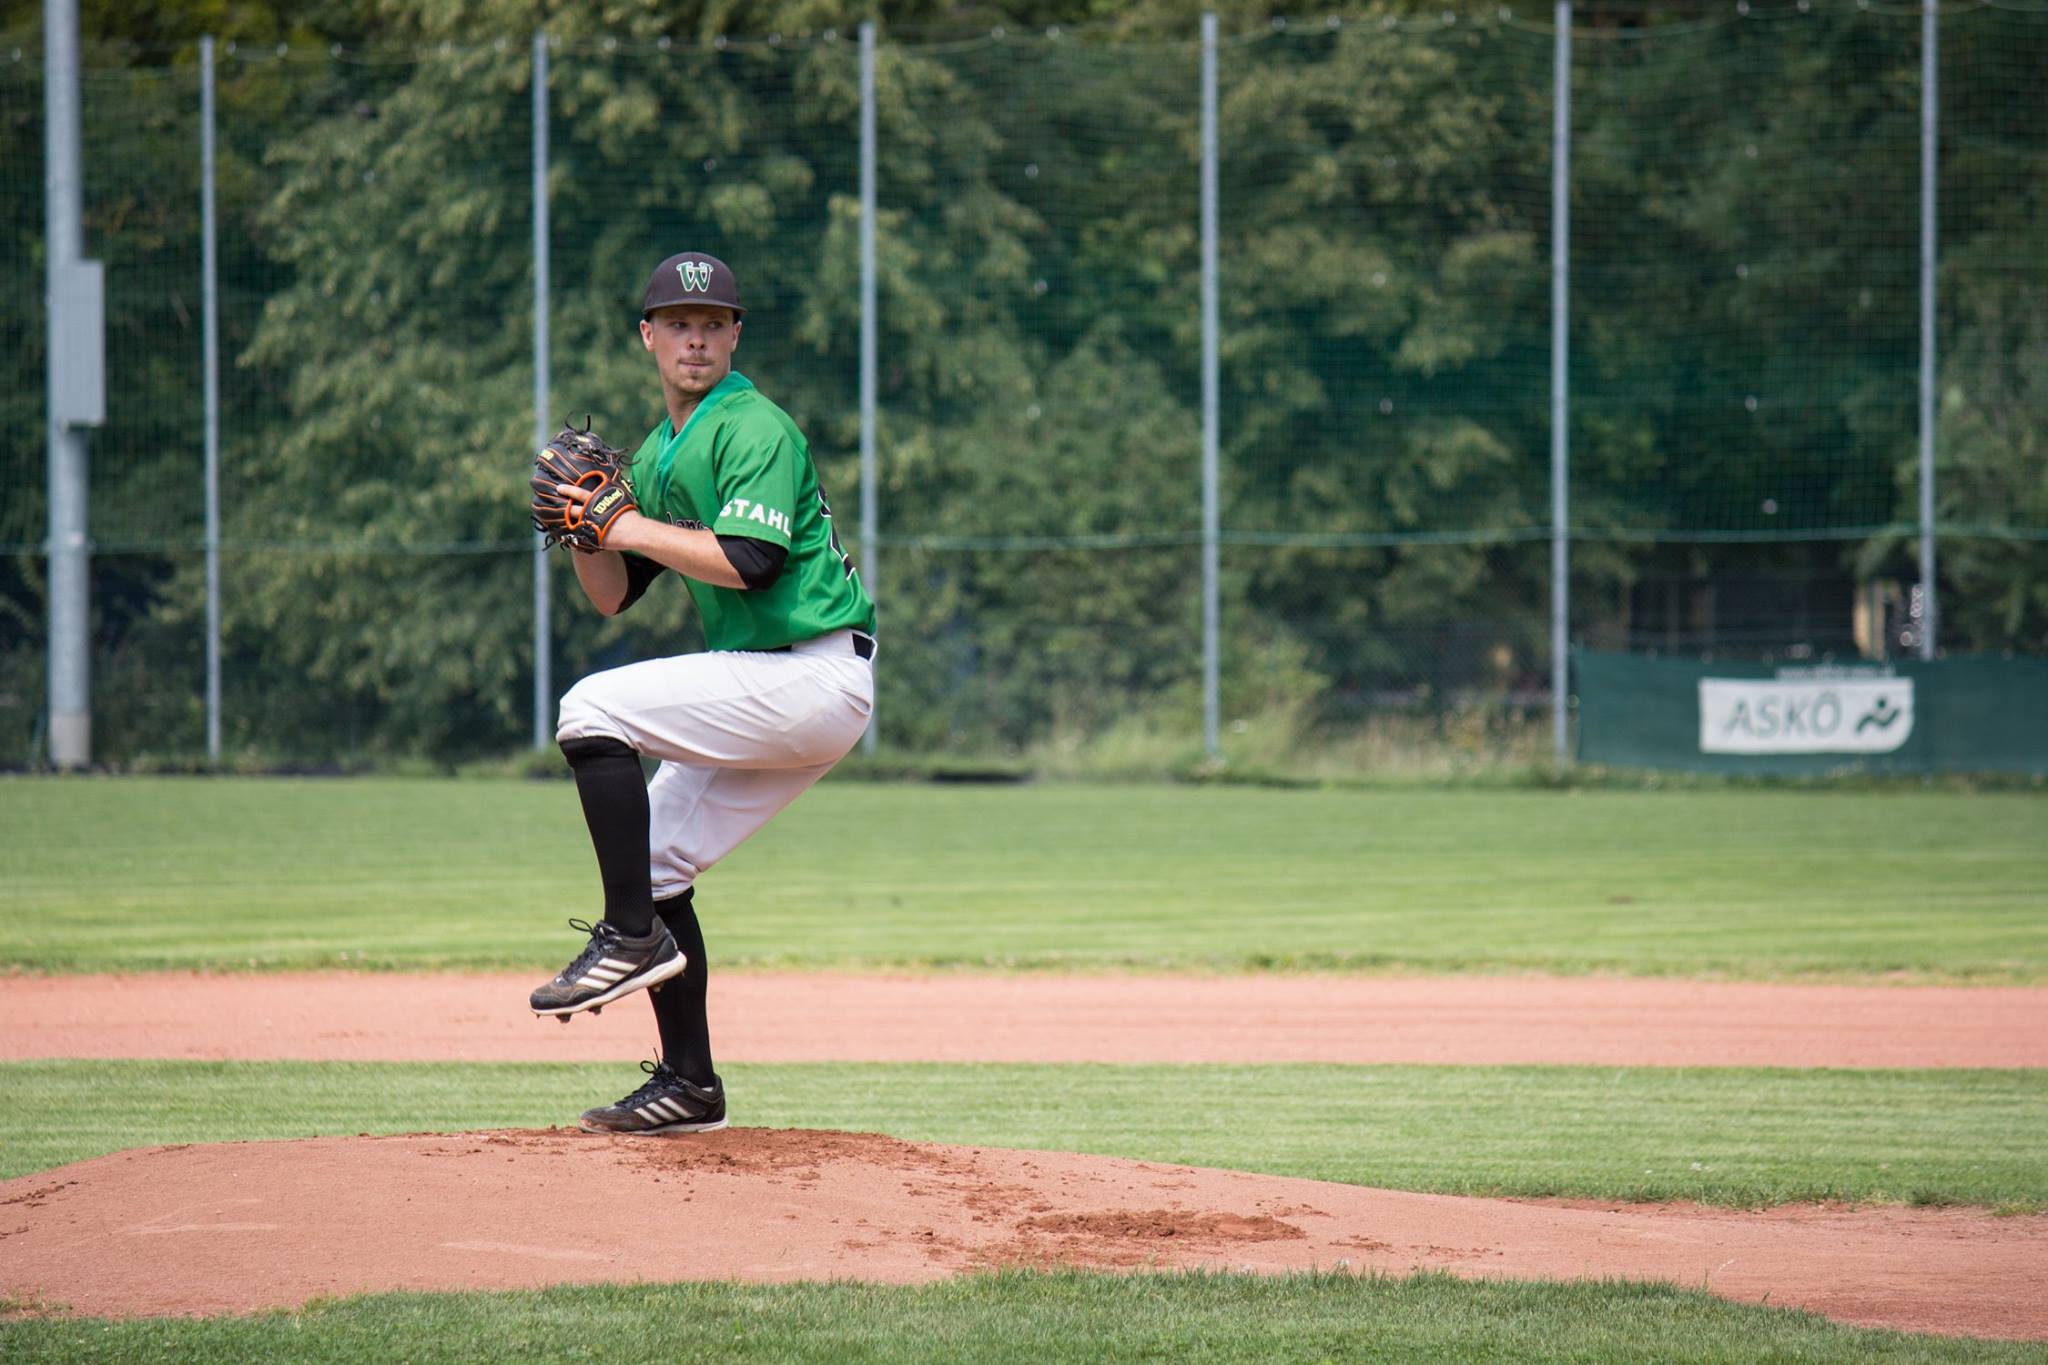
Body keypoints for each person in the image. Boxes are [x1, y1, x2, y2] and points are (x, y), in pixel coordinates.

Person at [531, 251, 876, 1135]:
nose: (696, 337)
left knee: (588, 709)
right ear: (649, 337)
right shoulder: (659, 451)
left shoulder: (752, 425)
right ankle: (690, 1083)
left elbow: (752, 565)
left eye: (714, 322)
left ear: (734, 335)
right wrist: (583, 527)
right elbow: (615, 593)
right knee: (655, 867)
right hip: (781, 684)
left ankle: (628, 939)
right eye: (679, 323)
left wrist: (627, 520)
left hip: (811, 670)